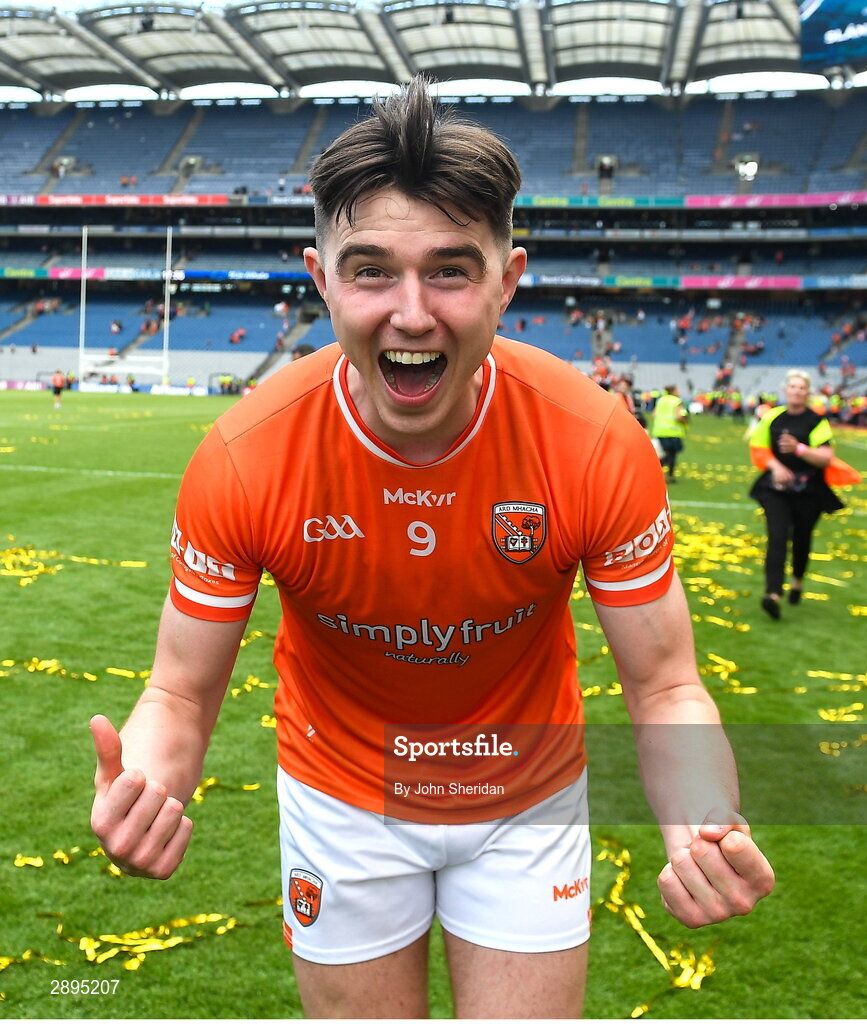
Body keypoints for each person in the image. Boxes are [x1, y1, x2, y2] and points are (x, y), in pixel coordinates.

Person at [89, 78, 773, 1020]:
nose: (411, 313)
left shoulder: (592, 440)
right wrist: (150, 783)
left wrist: (700, 822)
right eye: (371, 270)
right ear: (319, 276)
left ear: (508, 278)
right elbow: (178, 690)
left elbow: (664, 684)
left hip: (525, 796)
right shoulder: (246, 458)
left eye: (450, 270)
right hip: (340, 798)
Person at [748, 369, 858, 620]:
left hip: (809, 490)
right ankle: (772, 594)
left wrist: (798, 449)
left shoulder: (816, 421)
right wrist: (776, 467)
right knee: (777, 537)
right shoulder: (773, 417)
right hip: (776, 490)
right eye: (793, 386)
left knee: (802, 538)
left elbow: (825, 458)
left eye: (802, 388)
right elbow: (759, 448)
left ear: (807, 393)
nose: (797, 391)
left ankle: (797, 580)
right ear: (785, 390)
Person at [651, 384, 688, 482]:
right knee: (671, 455)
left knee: (663, 454)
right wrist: (686, 420)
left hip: (659, 431)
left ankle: (654, 471)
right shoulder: (676, 401)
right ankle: (668, 475)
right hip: (672, 432)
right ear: (673, 391)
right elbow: (679, 416)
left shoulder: (661, 400)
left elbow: (654, 414)